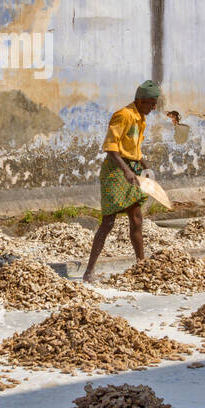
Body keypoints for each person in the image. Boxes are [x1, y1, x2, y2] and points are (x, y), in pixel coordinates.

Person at [84, 80, 161, 282]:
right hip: (115, 171)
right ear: (140, 100)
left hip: (131, 169)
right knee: (108, 222)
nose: (154, 108)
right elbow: (111, 148)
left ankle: (141, 264)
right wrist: (126, 171)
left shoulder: (140, 118)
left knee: (136, 218)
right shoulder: (123, 115)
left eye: (155, 104)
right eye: (151, 103)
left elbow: (135, 151)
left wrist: (147, 167)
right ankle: (89, 271)